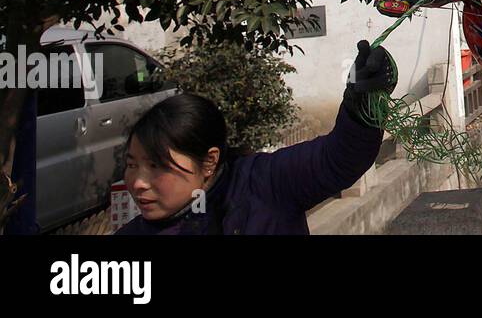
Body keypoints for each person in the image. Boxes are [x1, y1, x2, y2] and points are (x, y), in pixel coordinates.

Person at [116, 40, 396, 235]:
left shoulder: (266, 182)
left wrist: (362, 102)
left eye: (156, 166)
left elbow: (338, 159)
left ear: (209, 162)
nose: (138, 183)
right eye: (131, 165)